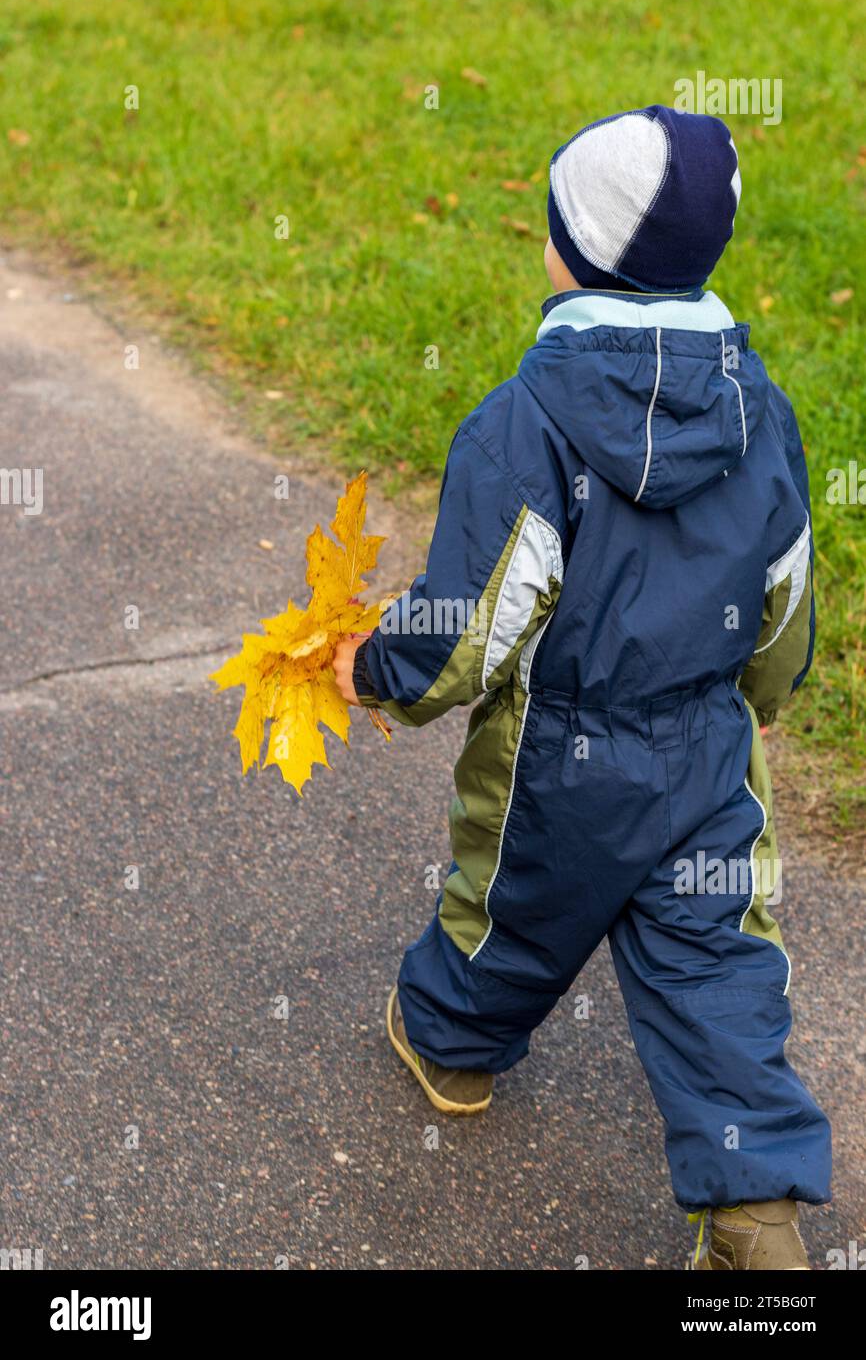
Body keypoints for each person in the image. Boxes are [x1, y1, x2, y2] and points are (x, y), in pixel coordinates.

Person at [333, 105, 830, 1270]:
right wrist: (759, 692)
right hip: (708, 751)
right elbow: (784, 587)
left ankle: (450, 1048)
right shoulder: (762, 412)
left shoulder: (523, 424)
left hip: (561, 757)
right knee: (716, 969)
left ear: (579, 251)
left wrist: (382, 671)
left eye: (551, 222)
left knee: (507, 910)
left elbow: (474, 617)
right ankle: (753, 1214)